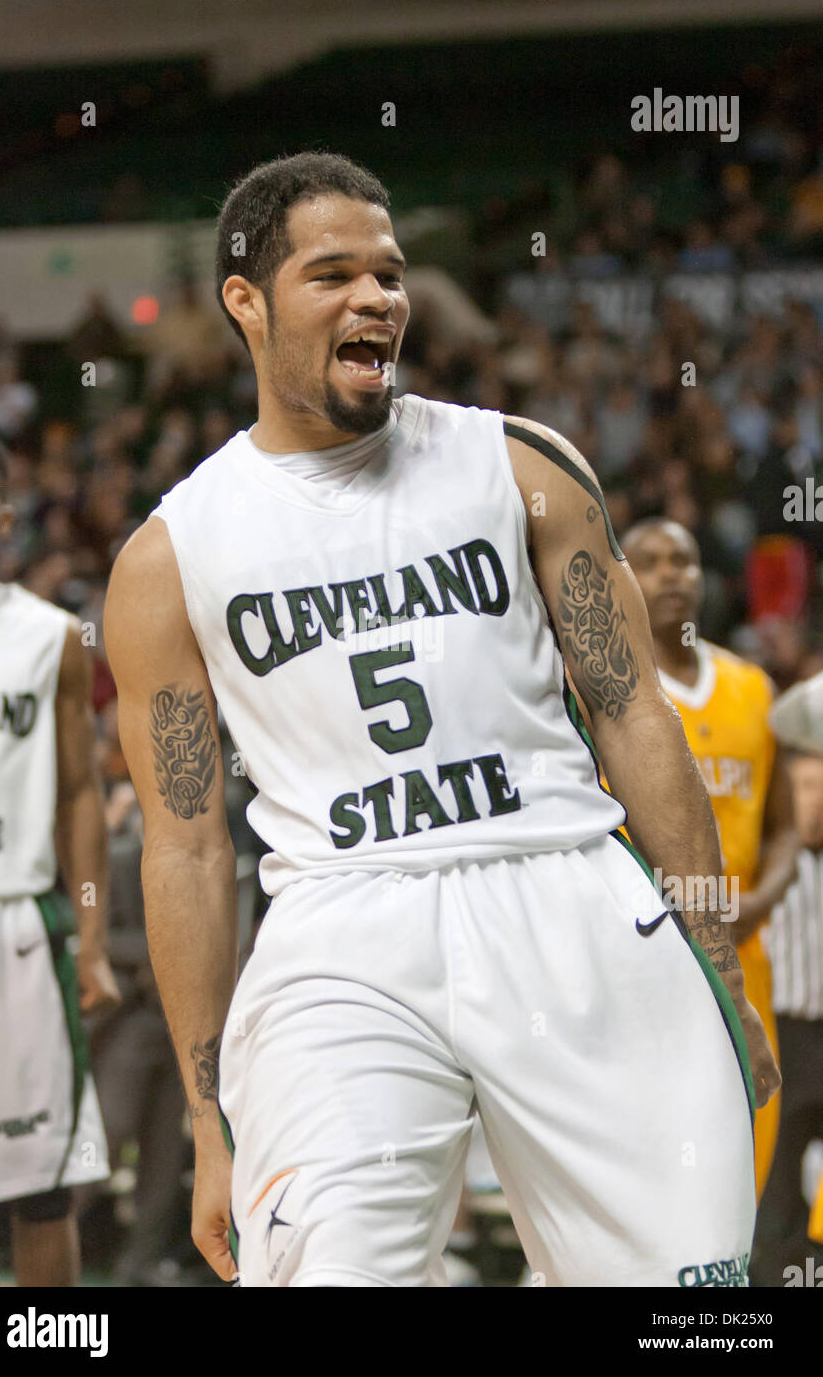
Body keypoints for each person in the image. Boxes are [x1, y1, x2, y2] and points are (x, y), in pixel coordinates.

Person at [104, 151, 777, 1289]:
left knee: (689, 1296)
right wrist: (209, 1115)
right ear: (245, 300)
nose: (378, 299)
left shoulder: (515, 464)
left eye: (389, 273)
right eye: (333, 274)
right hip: (338, 931)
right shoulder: (172, 554)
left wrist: (710, 958)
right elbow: (183, 842)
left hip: (561, 884)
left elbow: (629, 713)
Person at [0, 425, 118, 1285]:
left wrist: (90, 937)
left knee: (40, 1188)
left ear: (6, 517)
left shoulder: (50, 636)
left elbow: (80, 793)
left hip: (10, 928)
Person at [623, 517, 798, 1205]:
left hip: (745, 954)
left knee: (746, 1160)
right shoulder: (607, 693)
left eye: (685, 560)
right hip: (648, 956)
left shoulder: (753, 687)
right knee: (656, 1172)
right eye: (653, 561)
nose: (673, 575)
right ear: (622, 577)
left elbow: (785, 826)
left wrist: (764, 899)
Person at [749, 749, 823, 1285]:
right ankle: (774, 1273)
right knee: (778, 1165)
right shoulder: (770, 863)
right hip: (783, 1031)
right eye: (803, 789)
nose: (814, 804)